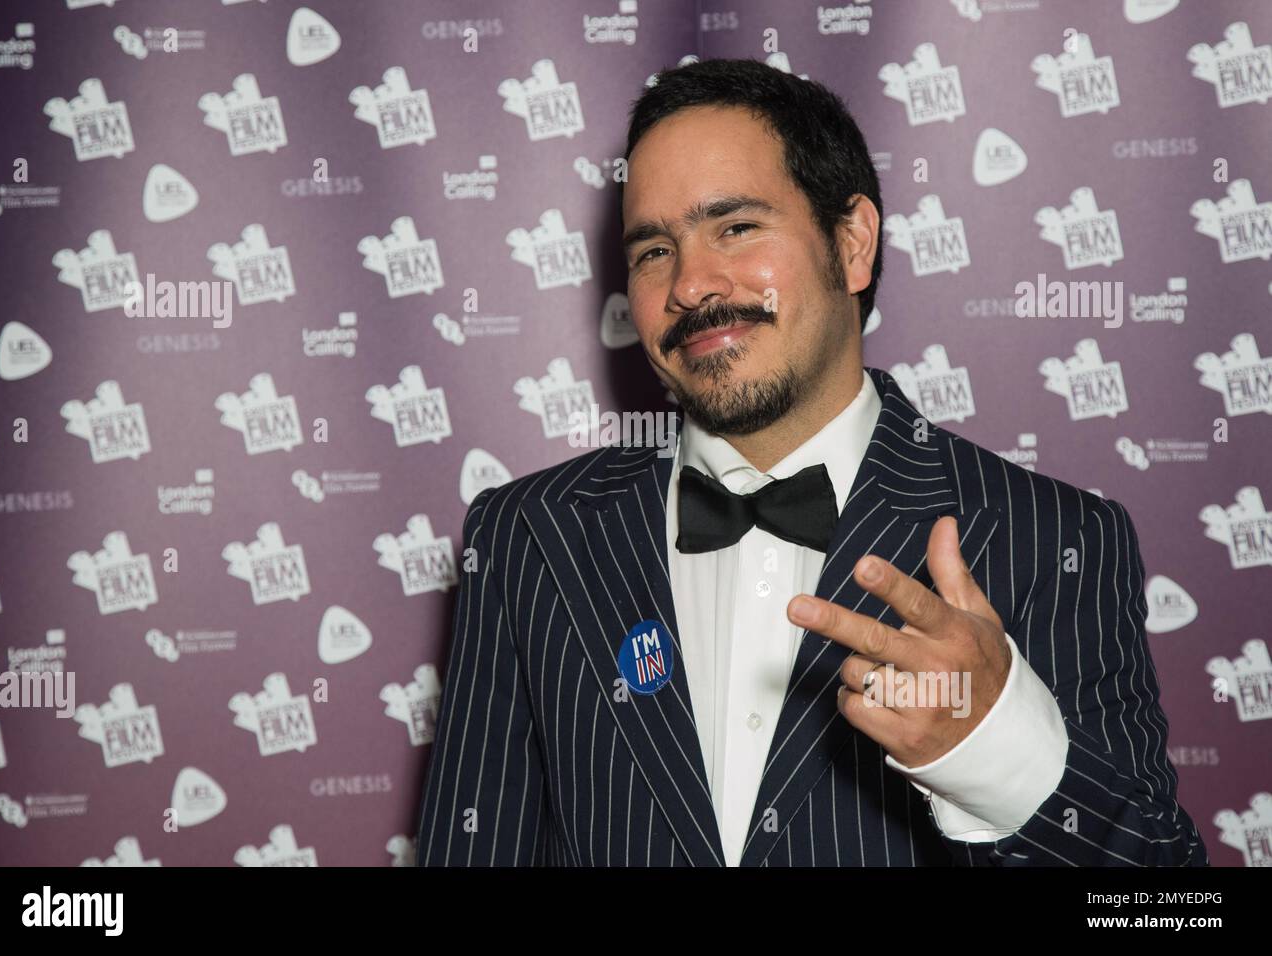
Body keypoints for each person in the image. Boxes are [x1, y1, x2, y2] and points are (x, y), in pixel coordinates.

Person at [416, 58, 1207, 867]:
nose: (690, 284)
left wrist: (1001, 753)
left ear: (853, 243)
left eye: (736, 227)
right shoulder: (527, 538)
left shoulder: (1052, 538)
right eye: (654, 250)